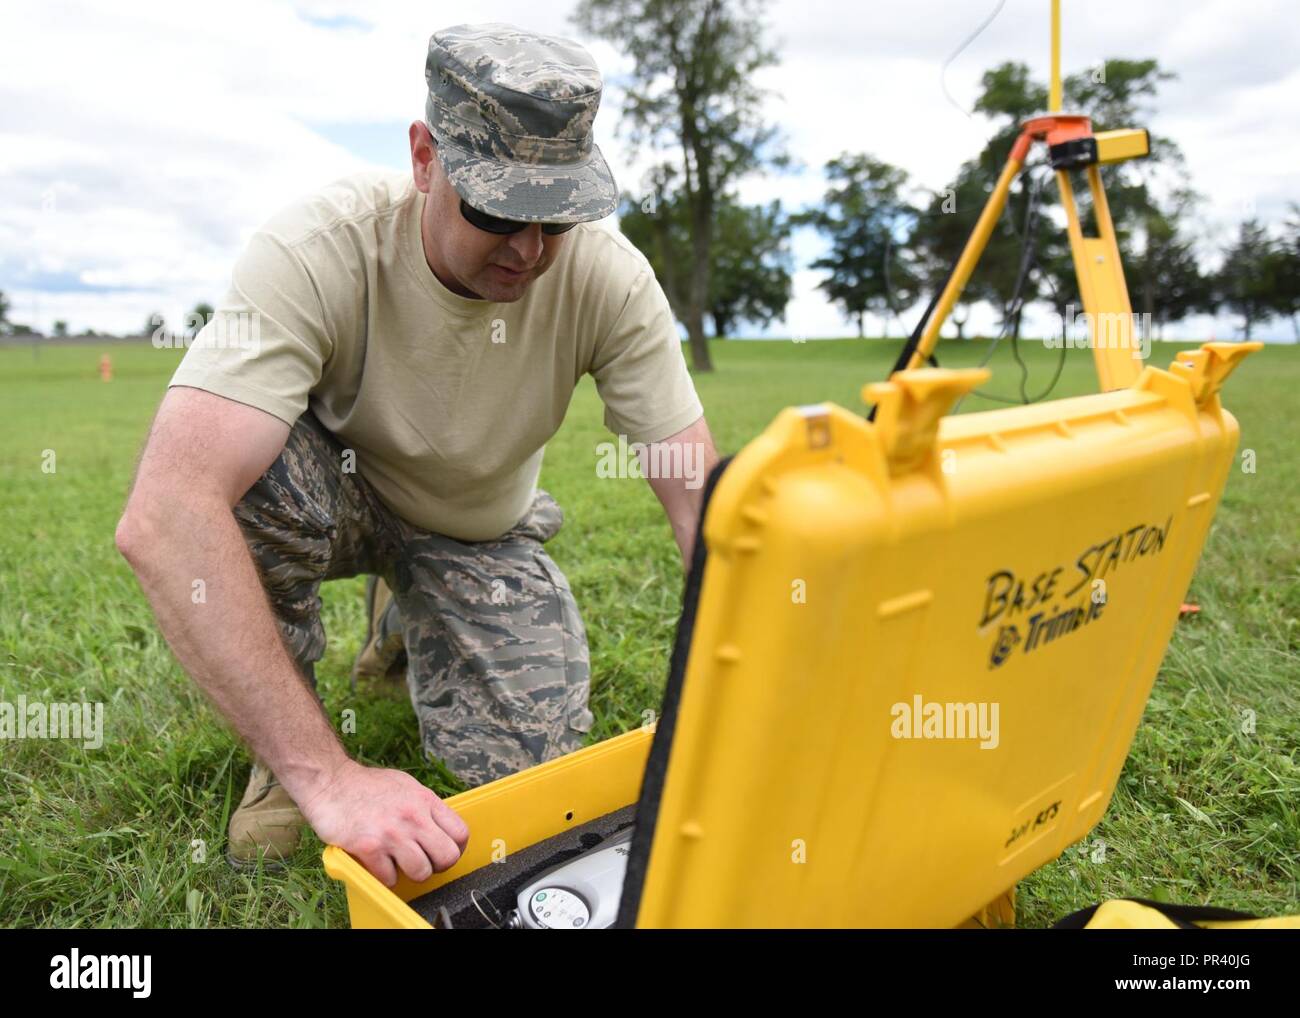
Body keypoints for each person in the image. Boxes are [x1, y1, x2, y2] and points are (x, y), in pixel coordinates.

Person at [115, 22, 717, 888]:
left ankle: (406, 616)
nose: (528, 250)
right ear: (425, 156)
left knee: (531, 762)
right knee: (243, 480)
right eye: (498, 210)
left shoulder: (610, 279)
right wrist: (332, 783)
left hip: (476, 526)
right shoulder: (315, 248)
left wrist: (771, 692)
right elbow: (168, 513)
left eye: (556, 216)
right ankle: (289, 750)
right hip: (335, 496)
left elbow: (702, 508)